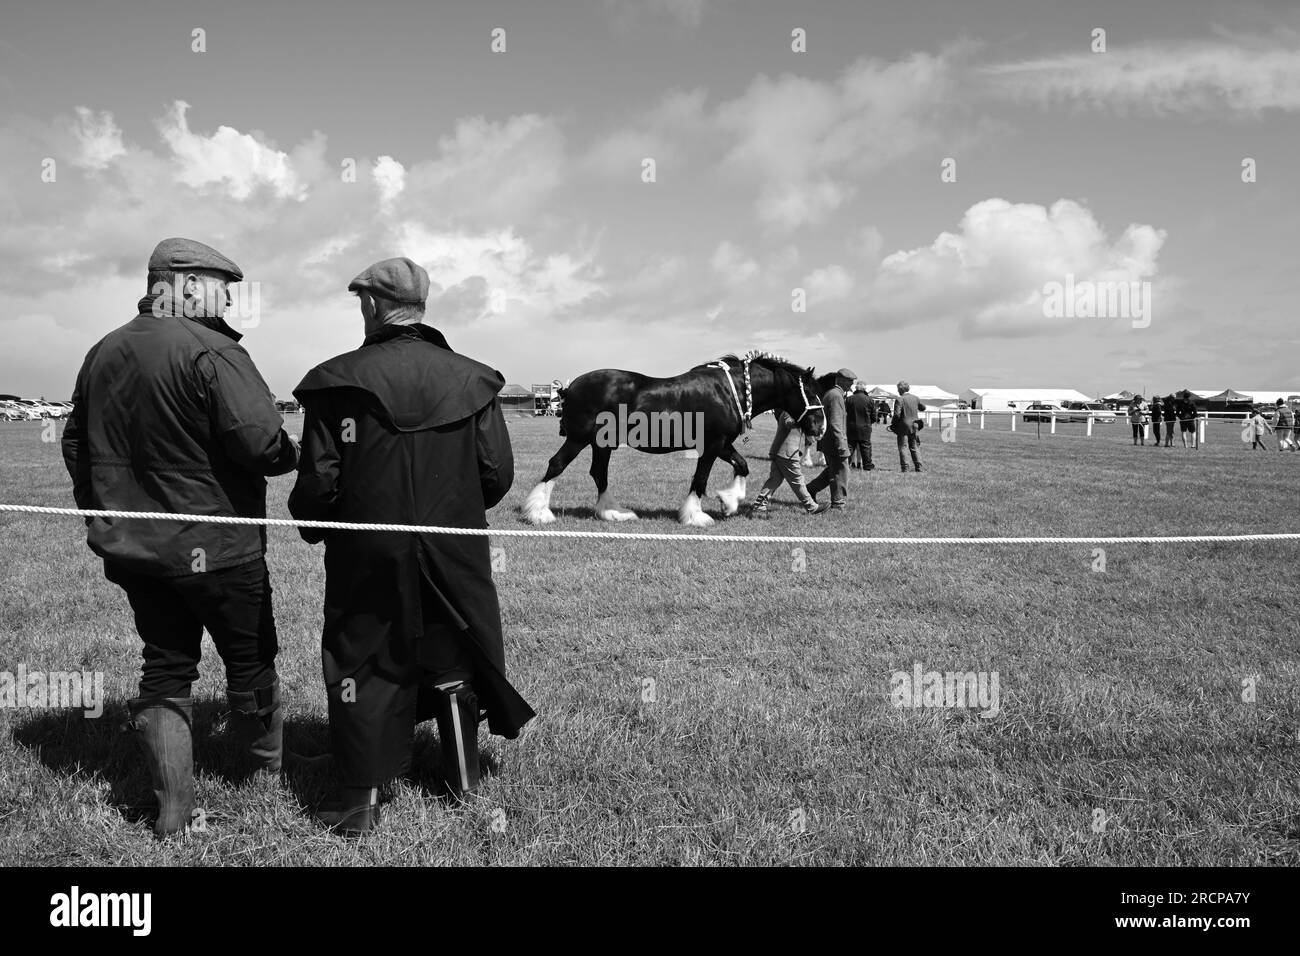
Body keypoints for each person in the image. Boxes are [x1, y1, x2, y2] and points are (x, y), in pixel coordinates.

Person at [61, 238, 300, 837]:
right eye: (225, 287)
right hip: (220, 548)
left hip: (136, 553)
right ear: (187, 284)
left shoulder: (102, 350)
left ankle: (172, 811)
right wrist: (290, 450)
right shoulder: (213, 350)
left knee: (166, 666)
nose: (231, 301)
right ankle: (265, 779)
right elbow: (263, 445)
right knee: (250, 662)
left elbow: (74, 445)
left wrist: (105, 513)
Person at [289, 257, 534, 834]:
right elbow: (495, 476)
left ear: (372, 305)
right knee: (453, 649)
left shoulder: (335, 380)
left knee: (365, 657)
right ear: (421, 307)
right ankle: (462, 778)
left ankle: (361, 799)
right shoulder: (472, 380)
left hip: (367, 550)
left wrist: (317, 523)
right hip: (456, 546)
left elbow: (319, 484)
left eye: (361, 304)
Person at [746, 410, 828, 516]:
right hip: (786, 454)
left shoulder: (795, 413)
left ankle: (759, 505)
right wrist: (803, 419)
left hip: (781, 452)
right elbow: (789, 423)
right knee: (797, 480)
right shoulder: (787, 413)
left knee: (775, 480)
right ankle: (811, 507)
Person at [806, 368, 855, 510]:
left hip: (830, 441)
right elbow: (836, 424)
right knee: (841, 471)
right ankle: (838, 503)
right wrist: (842, 446)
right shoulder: (835, 396)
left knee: (832, 471)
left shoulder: (833, 394)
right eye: (849, 382)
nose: (850, 386)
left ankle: (810, 489)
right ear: (840, 380)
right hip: (834, 442)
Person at [891, 381, 927, 472]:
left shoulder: (900, 399)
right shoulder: (915, 398)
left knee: (903, 447)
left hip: (903, 426)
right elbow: (923, 408)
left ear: (900, 389)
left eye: (898, 389)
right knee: (915, 447)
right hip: (914, 425)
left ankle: (905, 468)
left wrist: (893, 424)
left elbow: (897, 414)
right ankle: (919, 467)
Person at [846, 381, 876, 471]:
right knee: (866, 447)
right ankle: (867, 465)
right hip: (865, 427)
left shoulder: (849, 399)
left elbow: (845, 412)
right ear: (865, 389)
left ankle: (845, 465)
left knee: (850, 447)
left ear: (856, 388)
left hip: (851, 426)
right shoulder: (869, 400)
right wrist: (870, 422)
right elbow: (874, 416)